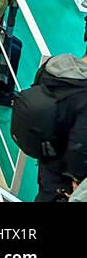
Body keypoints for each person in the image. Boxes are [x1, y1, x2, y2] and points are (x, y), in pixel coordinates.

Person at [25, 46, 87, 201]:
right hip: (64, 172)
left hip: (46, 153)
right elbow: (78, 145)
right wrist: (78, 180)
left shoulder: (53, 66)